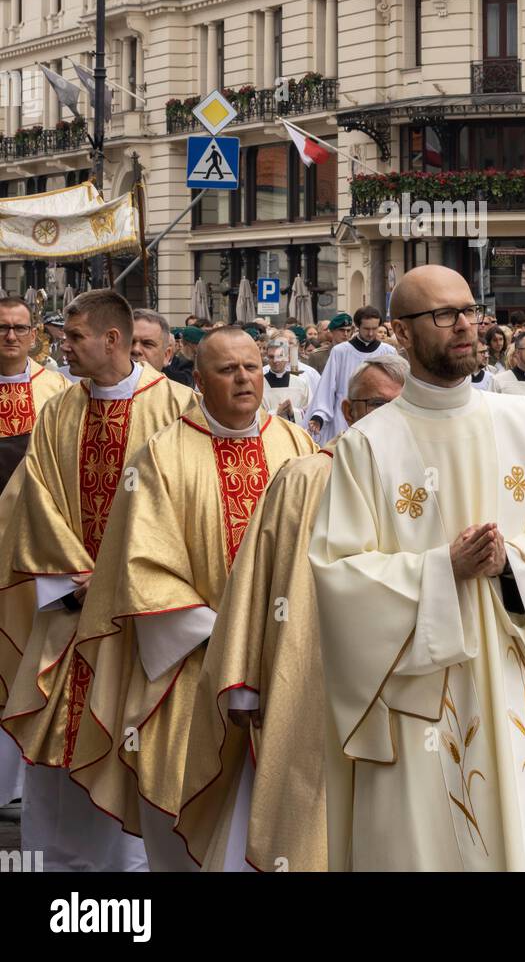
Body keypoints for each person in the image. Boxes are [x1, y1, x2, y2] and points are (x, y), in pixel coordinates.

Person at [310, 265, 525, 873]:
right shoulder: (366, 446)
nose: (464, 324)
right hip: (419, 689)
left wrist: (512, 559)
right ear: (402, 336)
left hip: (515, 673)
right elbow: (339, 575)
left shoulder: (520, 424)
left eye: (468, 309)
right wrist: (443, 567)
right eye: (443, 314)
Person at [69, 327, 318, 872]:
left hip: (283, 663)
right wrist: (229, 633)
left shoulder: (297, 445)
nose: (245, 379)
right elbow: (142, 566)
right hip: (192, 668)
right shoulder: (160, 455)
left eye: (252, 367)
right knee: (190, 821)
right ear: (199, 381)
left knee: (282, 816)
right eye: (228, 370)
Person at [174, 356, 409, 872]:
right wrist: (244, 682)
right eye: (377, 406)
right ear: (347, 409)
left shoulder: (427, 485)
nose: (391, 418)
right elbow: (256, 583)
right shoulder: (305, 478)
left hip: (405, 682)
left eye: (401, 406)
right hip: (310, 678)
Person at [0, 289, 189, 871]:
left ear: (113, 339)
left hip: (140, 616)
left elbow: (185, 510)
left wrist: (114, 584)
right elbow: (34, 493)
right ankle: (62, 872)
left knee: (132, 742)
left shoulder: (179, 408)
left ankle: (130, 872)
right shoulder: (59, 407)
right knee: (58, 752)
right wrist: (74, 577)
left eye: (74, 337)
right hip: (67, 611)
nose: (64, 347)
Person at [0, 297, 68, 808]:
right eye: (2, 327)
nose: (10, 336)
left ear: (35, 334)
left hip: (33, 545)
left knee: (28, 647)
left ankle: (25, 773)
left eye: (19, 328)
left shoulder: (57, 390)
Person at [306, 307, 396, 444]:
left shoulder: (388, 352)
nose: (371, 333)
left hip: (379, 416)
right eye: (366, 329)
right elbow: (327, 387)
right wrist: (319, 416)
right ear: (357, 327)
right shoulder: (340, 351)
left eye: (375, 328)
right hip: (343, 417)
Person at [130, 308, 176, 377]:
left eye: (147, 344)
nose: (136, 349)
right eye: (130, 342)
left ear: (166, 355)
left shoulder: (175, 388)